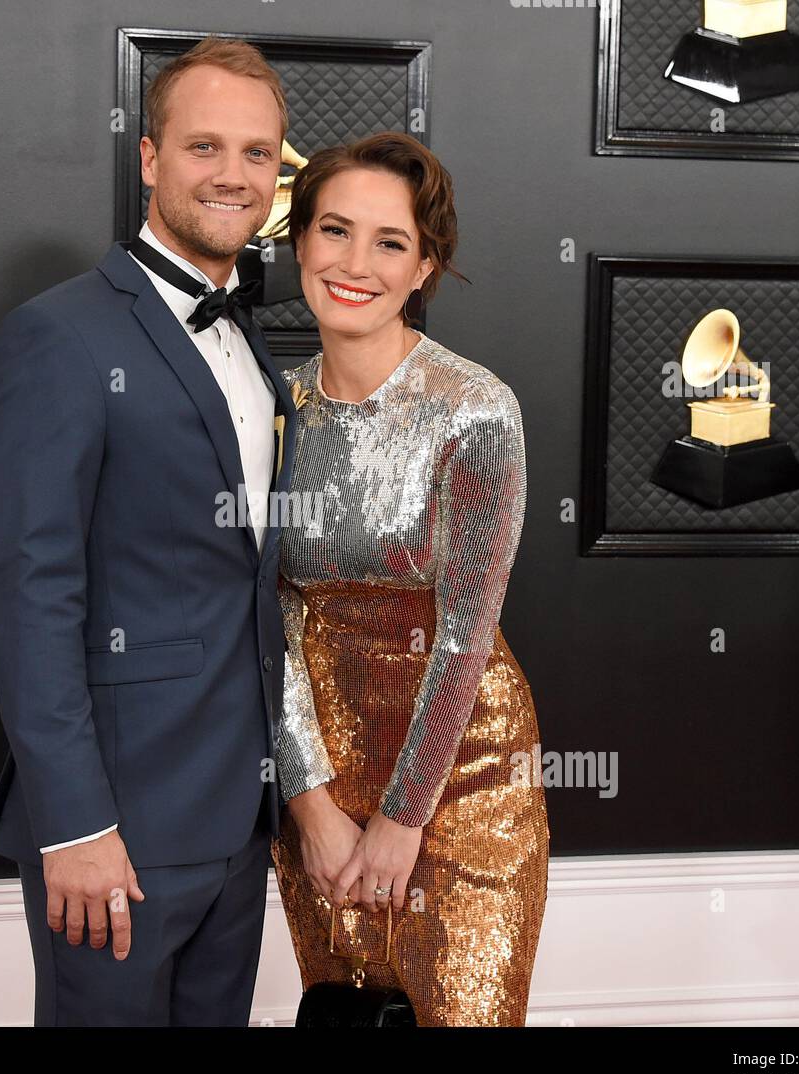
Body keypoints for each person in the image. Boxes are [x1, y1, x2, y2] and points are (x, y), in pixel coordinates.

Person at [0, 37, 298, 1026]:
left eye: (256, 153)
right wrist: (73, 821)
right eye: (204, 147)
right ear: (150, 160)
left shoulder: (252, 337)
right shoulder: (58, 335)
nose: (232, 175)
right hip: (112, 821)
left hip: (241, 817)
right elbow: (31, 591)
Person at [266, 131, 550, 1026]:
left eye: (390, 241)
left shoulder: (474, 406)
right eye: (334, 231)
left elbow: (468, 631)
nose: (357, 264)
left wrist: (402, 817)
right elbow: (262, 613)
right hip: (320, 770)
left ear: (426, 264)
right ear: (298, 242)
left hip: (461, 778)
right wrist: (308, 801)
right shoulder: (267, 405)